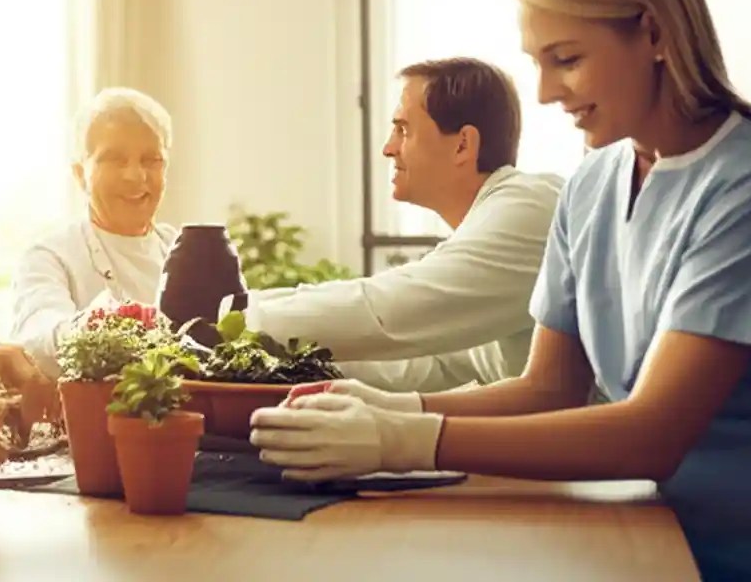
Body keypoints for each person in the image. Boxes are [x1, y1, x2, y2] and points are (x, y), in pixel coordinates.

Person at [250, 0, 751, 581]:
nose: (548, 91)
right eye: (538, 62)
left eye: (568, 60)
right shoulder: (592, 185)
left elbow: (653, 433)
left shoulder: (747, 187)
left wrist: (408, 438)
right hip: (631, 530)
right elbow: (547, 387)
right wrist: (390, 408)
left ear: (655, 33)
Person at [223, 58, 564, 392]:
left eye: (403, 129)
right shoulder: (484, 235)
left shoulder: (530, 206)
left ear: (463, 144)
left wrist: (228, 316)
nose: (388, 148)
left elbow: (385, 311)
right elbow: (424, 367)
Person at [10, 87, 178, 378]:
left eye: (151, 160)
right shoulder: (50, 257)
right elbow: (38, 341)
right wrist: (106, 323)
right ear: (80, 174)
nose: (136, 176)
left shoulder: (180, 249)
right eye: (115, 159)